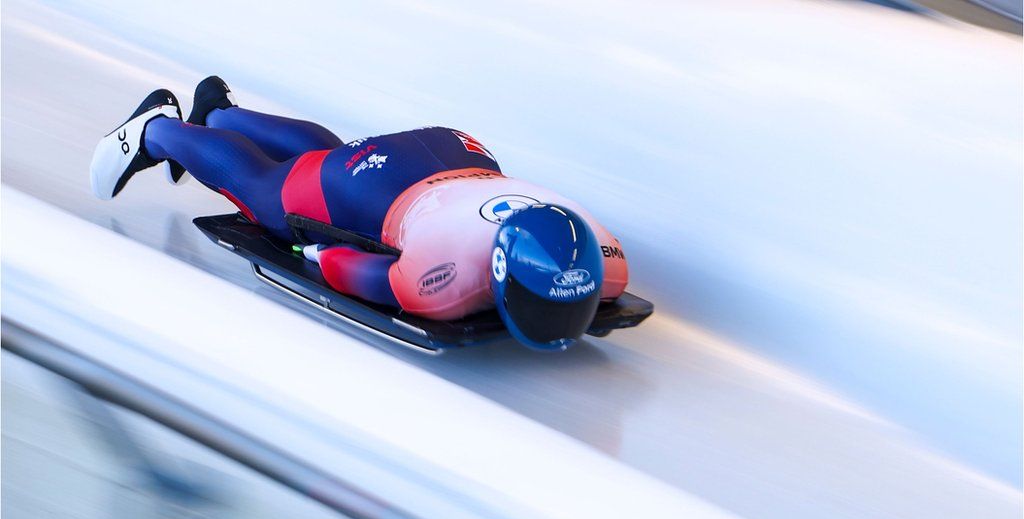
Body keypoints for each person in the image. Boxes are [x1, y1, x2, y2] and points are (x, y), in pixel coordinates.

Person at [90, 76, 629, 350]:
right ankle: (156, 129)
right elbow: (355, 271)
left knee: (333, 166)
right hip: (404, 189)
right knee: (272, 200)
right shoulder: (443, 284)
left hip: (455, 150)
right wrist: (316, 249)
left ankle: (219, 111)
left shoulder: (605, 258)